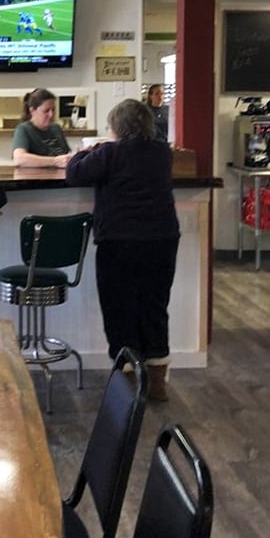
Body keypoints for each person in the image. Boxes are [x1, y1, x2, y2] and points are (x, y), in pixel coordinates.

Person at [65, 99, 180, 401]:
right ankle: (157, 384)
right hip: (162, 239)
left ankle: (129, 384)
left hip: (120, 240)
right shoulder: (161, 152)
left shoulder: (109, 153)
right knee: (154, 307)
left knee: (119, 310)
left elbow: (74, 173)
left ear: (117, 127)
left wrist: (86, 152)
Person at [12, 87, 73, 168]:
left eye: (53, 110)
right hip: (38, 178)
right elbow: (19, 159)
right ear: (32, 111)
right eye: (46, 111)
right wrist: (55, 161)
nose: (51, 115)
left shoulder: (56, 128)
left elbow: (66, 155)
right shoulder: (23, 129)